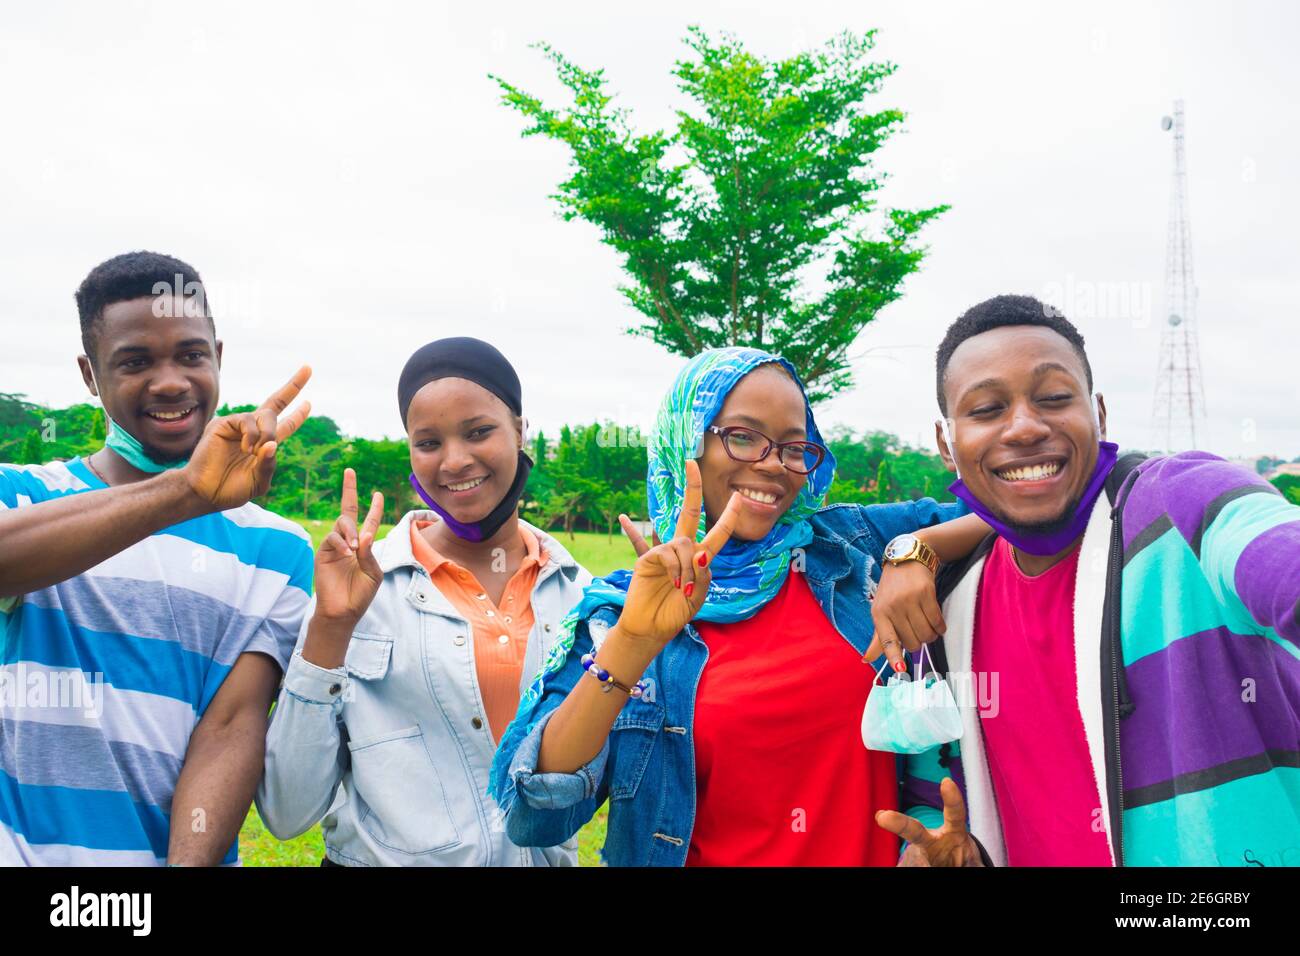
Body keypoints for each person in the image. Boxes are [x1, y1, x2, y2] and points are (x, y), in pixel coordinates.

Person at [489, 346, 990, 866]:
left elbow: (1006, 509)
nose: (774, 465)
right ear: (687, 441)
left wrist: (912, 550)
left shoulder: (845, 546)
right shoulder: (617, 613)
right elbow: (536, 814)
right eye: (743, 437)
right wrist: (634, 643)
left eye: (795, 446)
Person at [874, 294, 1300, 867]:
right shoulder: (948, 606)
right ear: (946, 443)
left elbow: (1276, 558)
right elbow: (934, 796)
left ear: (1098, 415)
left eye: (1053, 398)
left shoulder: (1182, 504)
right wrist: (953, 850)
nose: (1024, 427)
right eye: (986, 409)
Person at [0, 250, 314, 865]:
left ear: (218, 357)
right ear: (91, 375)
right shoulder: (24, 495)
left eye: (191, 355)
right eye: (136, 361)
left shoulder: (276, 548)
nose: (170, 381)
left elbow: (230, 727)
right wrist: (186, 493)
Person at [257, 337, 592, 866]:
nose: (456, 461)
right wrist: (329, 626)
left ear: (521, 430)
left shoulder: (582, 597)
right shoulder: (362, 591)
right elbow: (286, 810)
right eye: (429, 442)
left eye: (479, 432)